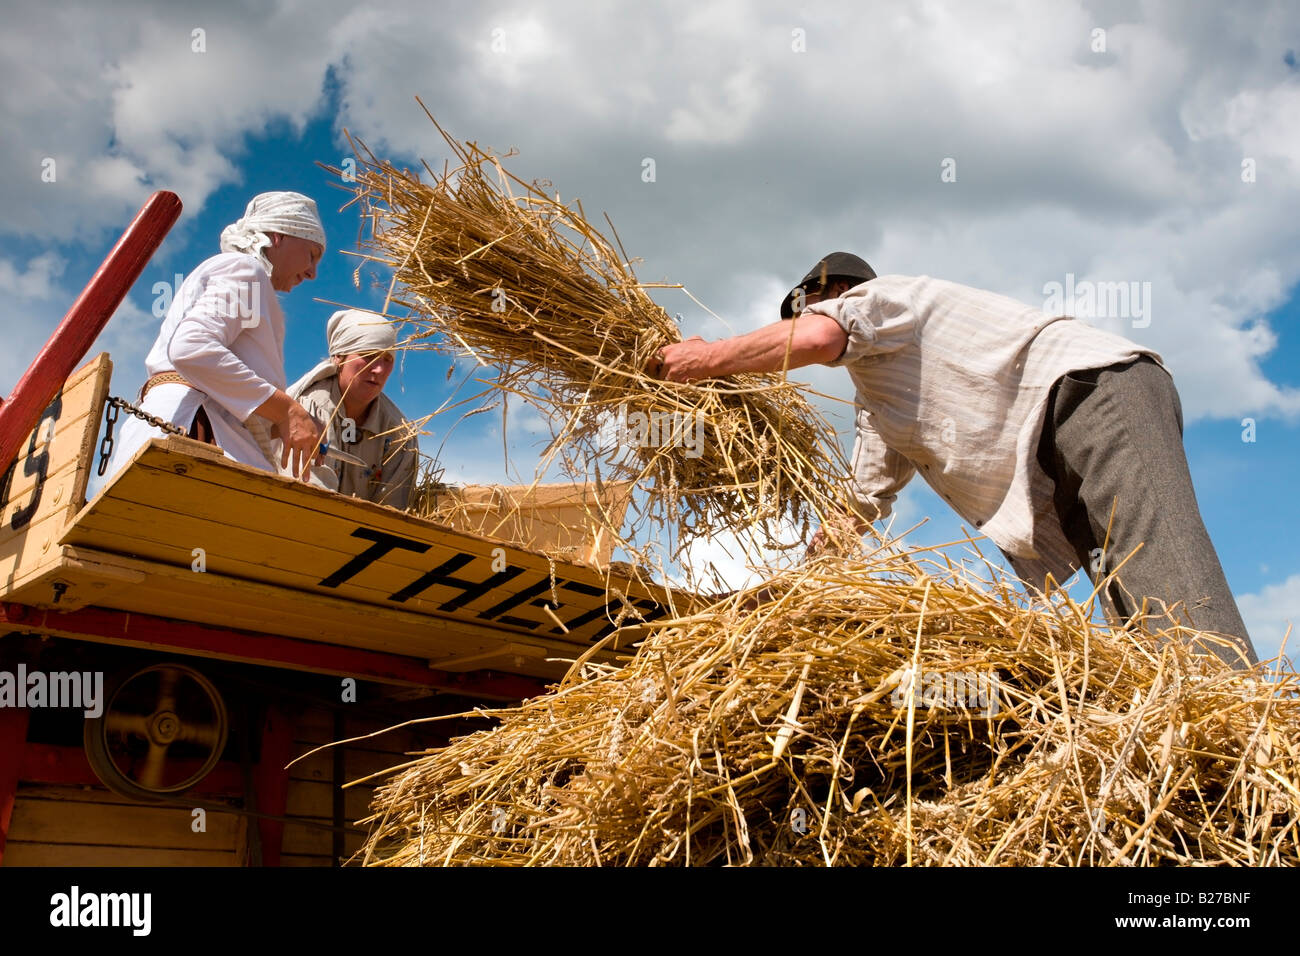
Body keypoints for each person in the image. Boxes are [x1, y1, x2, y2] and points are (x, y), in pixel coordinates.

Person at [653, 252, 1259, 669]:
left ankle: (1241, 740)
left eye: (806, 306)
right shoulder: (885, 400)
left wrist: (703, 359)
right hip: (1053, 453)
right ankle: (1186, 744)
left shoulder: (882, 298)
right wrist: (794, 585)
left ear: (831, 291)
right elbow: (861, 503)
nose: (805, 320)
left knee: (1157, 556)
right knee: (1126, 588)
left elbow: (816, 339)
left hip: (1092, 392)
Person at [104, 191, 327, 480]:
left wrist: (287, 423)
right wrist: (287, 410)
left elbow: (229, 390)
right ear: (278, 236)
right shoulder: (246, 270)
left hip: (173, 428)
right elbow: (192, 348)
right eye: (312, 254)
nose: (313, 273)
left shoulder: (247, 281)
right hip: (193, 434)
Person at [285, 309, 420, 509]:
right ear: (339, 357)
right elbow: (307, 499)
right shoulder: (311, 410)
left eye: (387, 359)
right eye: (368, 356)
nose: (379, 369)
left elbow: (392, 510)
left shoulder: (399, 433)